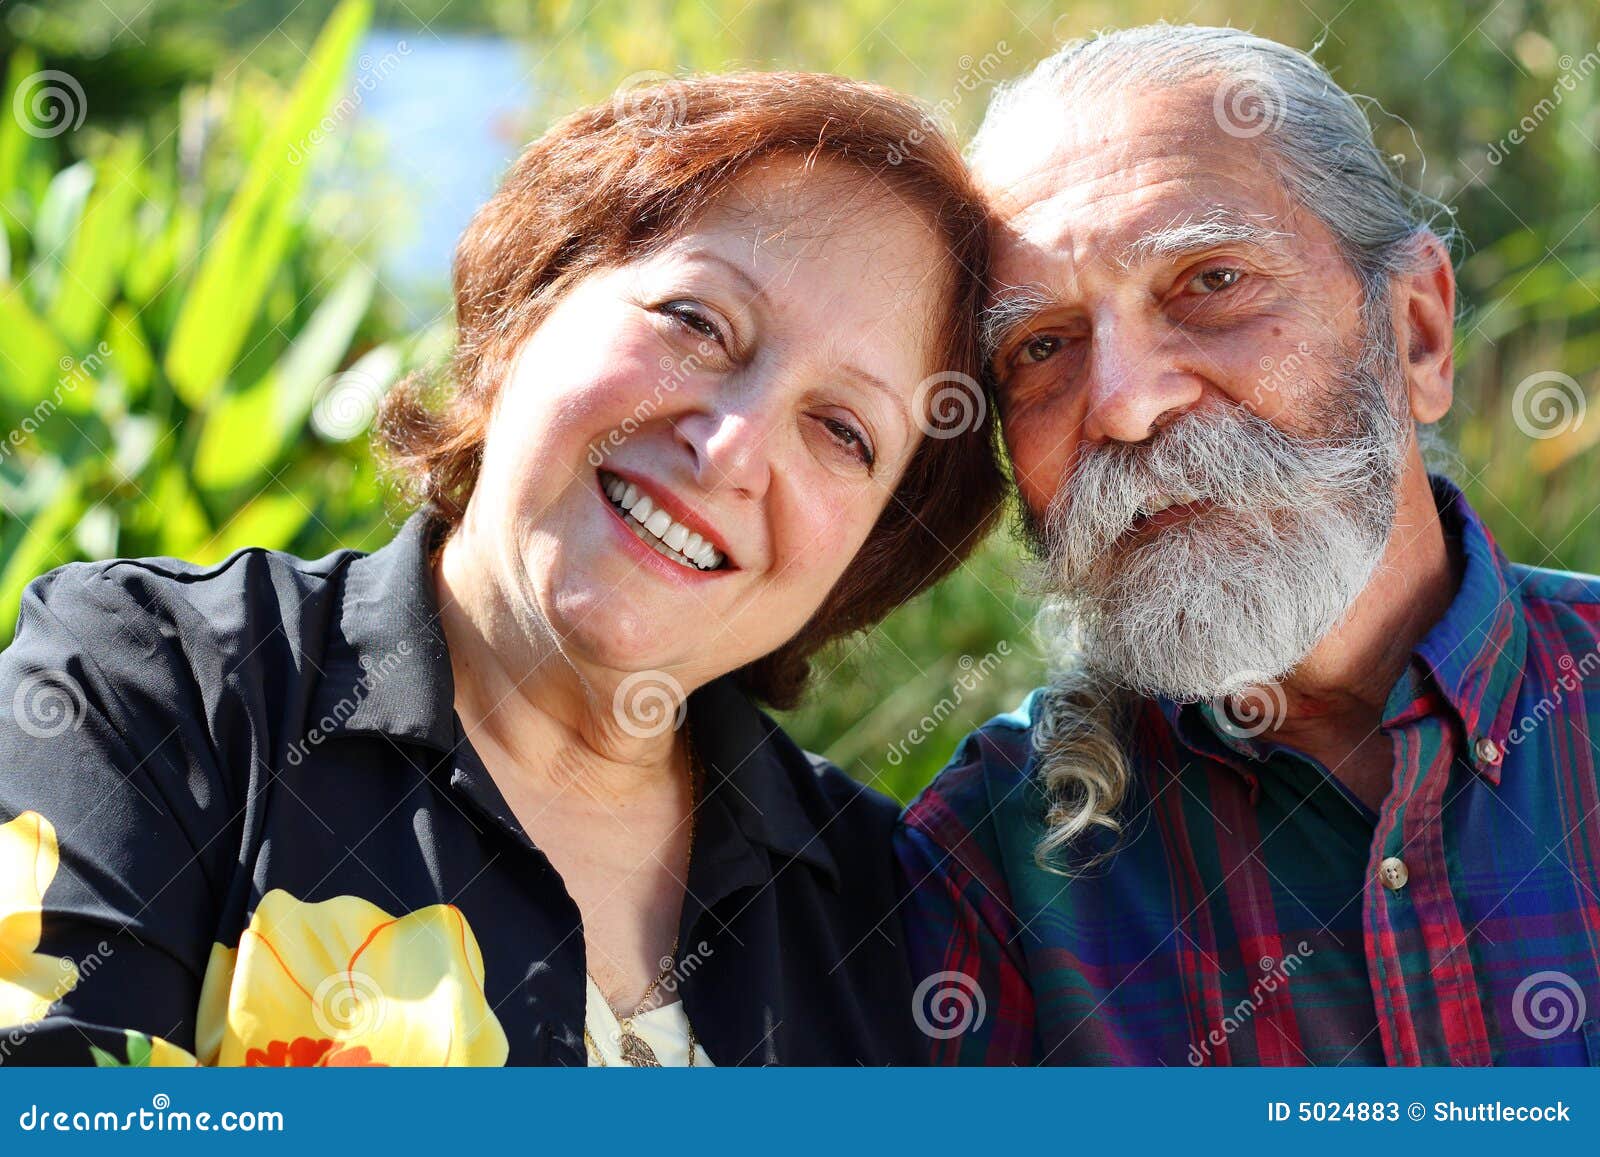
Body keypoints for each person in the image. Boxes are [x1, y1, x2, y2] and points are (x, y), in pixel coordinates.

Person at [0, 71, 1004, 1066]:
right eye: (698, 322)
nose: (732, 450)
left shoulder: (889, 911)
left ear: (871, 546)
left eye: (841, 429)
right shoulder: (158, 688)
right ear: (530, 307)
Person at [897, 24, 1600, 1065]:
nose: (1126, 407)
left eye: (1209, 281)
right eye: (1040, 346)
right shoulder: (984, 866)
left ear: (1414, 330)